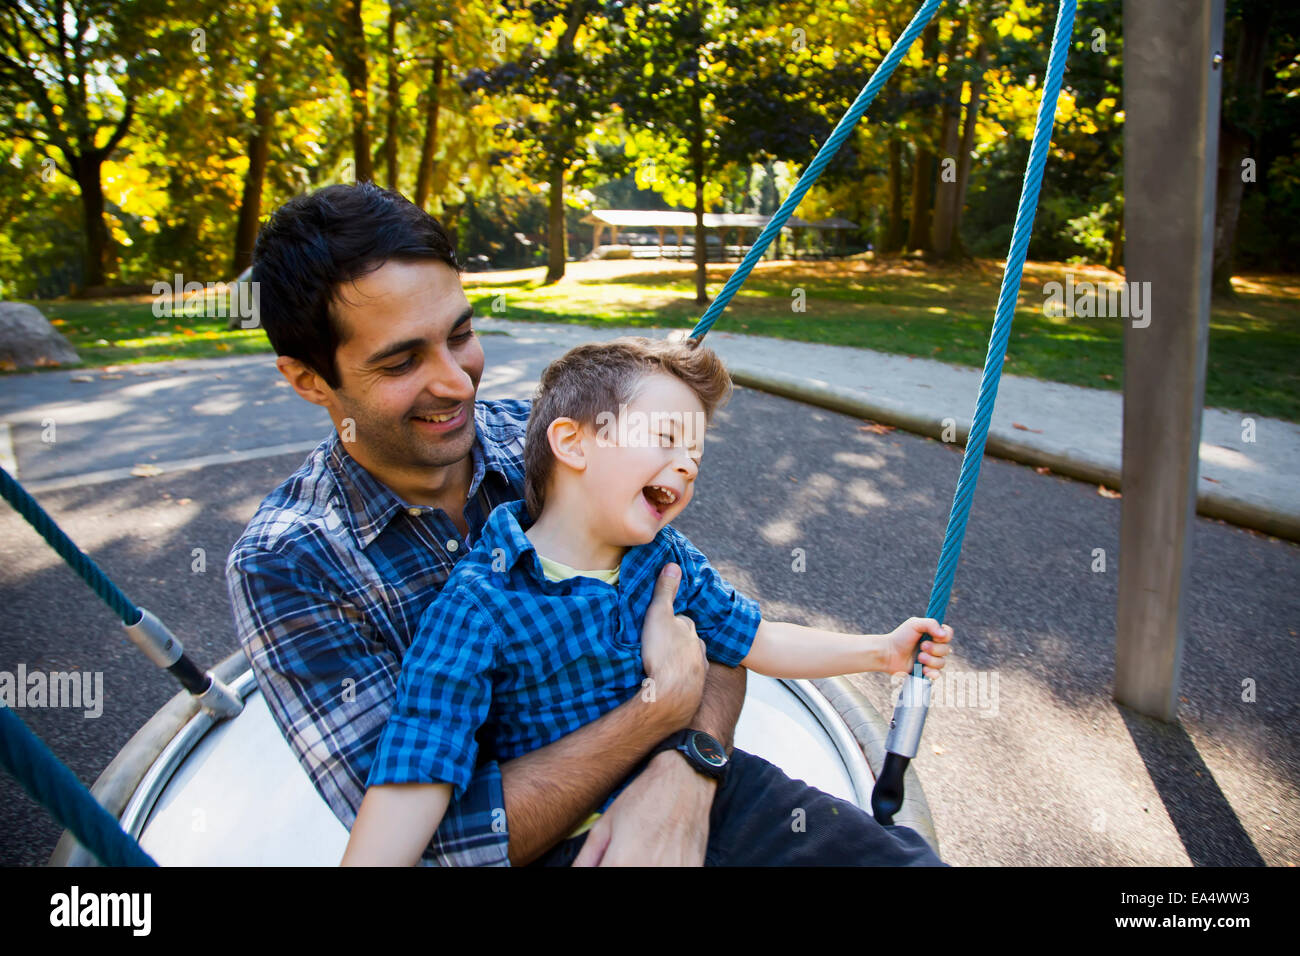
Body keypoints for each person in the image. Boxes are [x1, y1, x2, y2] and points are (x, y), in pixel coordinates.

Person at [228, 182, 754, 866]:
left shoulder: (542, 443)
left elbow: (718, 636)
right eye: (402, 360)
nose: (457, 382)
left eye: (461, 335)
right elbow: (440, 848)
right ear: (307, 380)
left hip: (694, 798)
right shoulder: (289, 564)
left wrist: (685, 770)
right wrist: (654, 717)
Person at [342, 336, 953, 866]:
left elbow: (757, 639)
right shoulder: (479, 603)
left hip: (726, 795)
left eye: (696, 456)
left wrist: (880, 651)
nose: (686, 466)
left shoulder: (667, 558)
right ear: (573, 444)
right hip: (579, 844)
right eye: (667, 438)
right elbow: (418, 768)